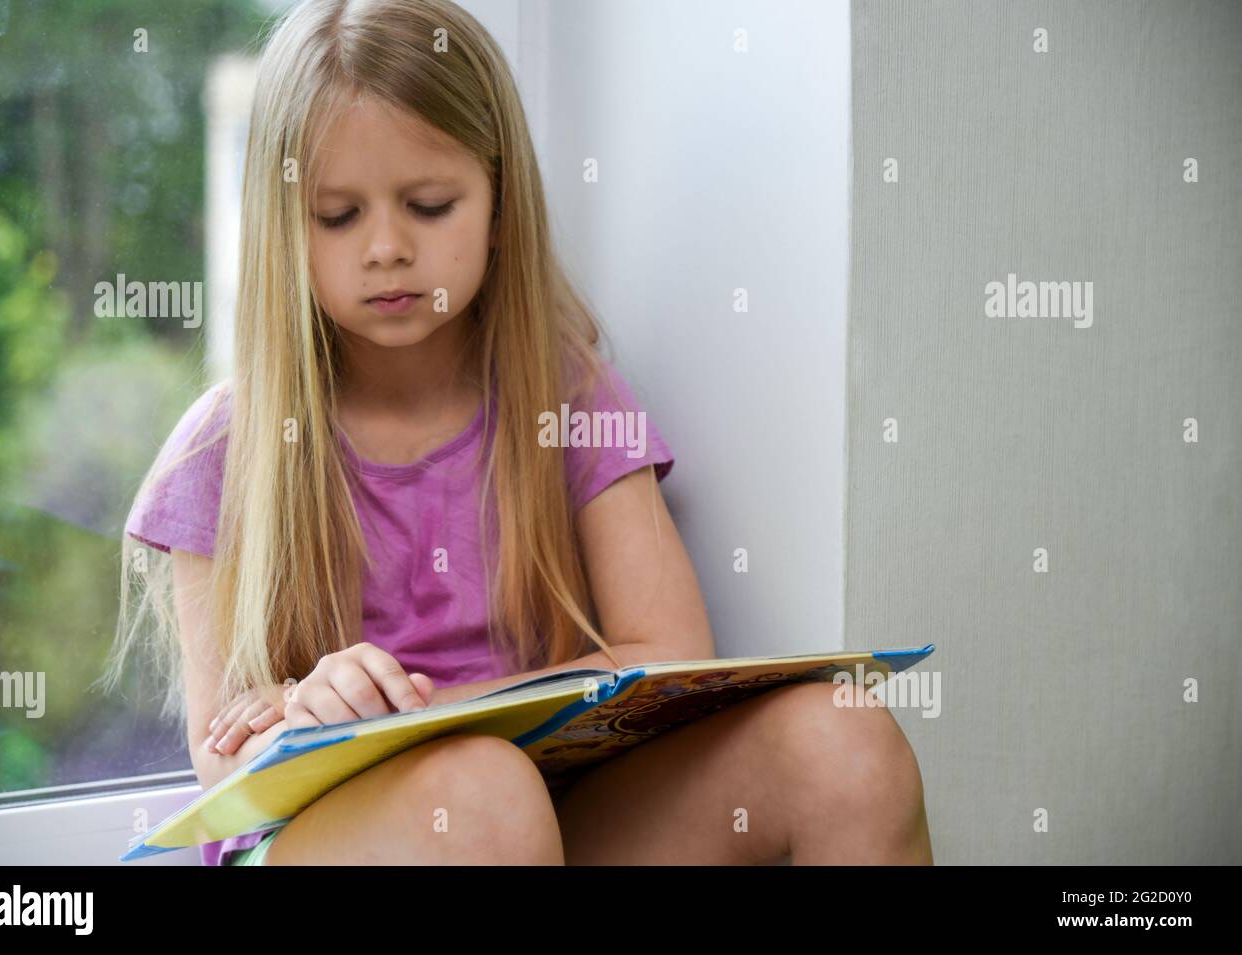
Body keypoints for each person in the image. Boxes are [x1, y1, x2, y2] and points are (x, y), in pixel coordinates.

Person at [103, 0, 932, 866]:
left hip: (544, 816)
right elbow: (222, 757)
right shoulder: (223, 448)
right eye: (337, 216)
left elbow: (671, 652)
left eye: (429, 205)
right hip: (333, 840)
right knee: (484, 797)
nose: (386, 248)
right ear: (282, 228)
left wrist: (435, 712)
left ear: (501, 204)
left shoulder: (569, 395)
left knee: (844, 741)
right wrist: (309, 708)